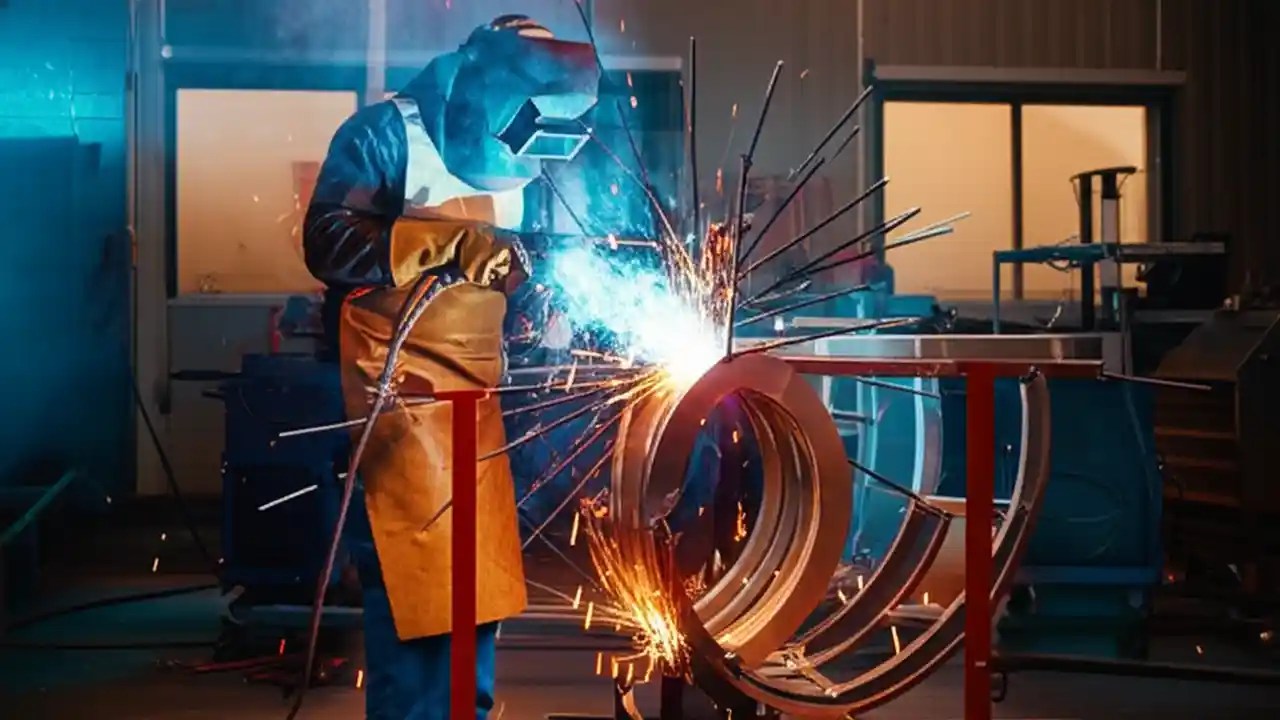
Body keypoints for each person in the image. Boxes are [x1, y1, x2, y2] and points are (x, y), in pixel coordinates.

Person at [302, 15, 600, 719]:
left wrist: (543, 308)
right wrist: (447, 244)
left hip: (479, 405)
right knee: (418, 601)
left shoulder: (528, 151)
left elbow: (528, 261)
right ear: (481, 81)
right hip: (400, 401)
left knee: (476, 595)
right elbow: (326, 240)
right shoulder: (385, 135)